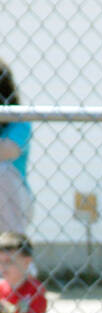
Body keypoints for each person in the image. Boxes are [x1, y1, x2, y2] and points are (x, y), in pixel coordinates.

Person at [0, 62, 33, 234]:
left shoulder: (19, 119)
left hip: (12, 203)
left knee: (2, 171)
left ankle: (12, 249)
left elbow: (8, 150)